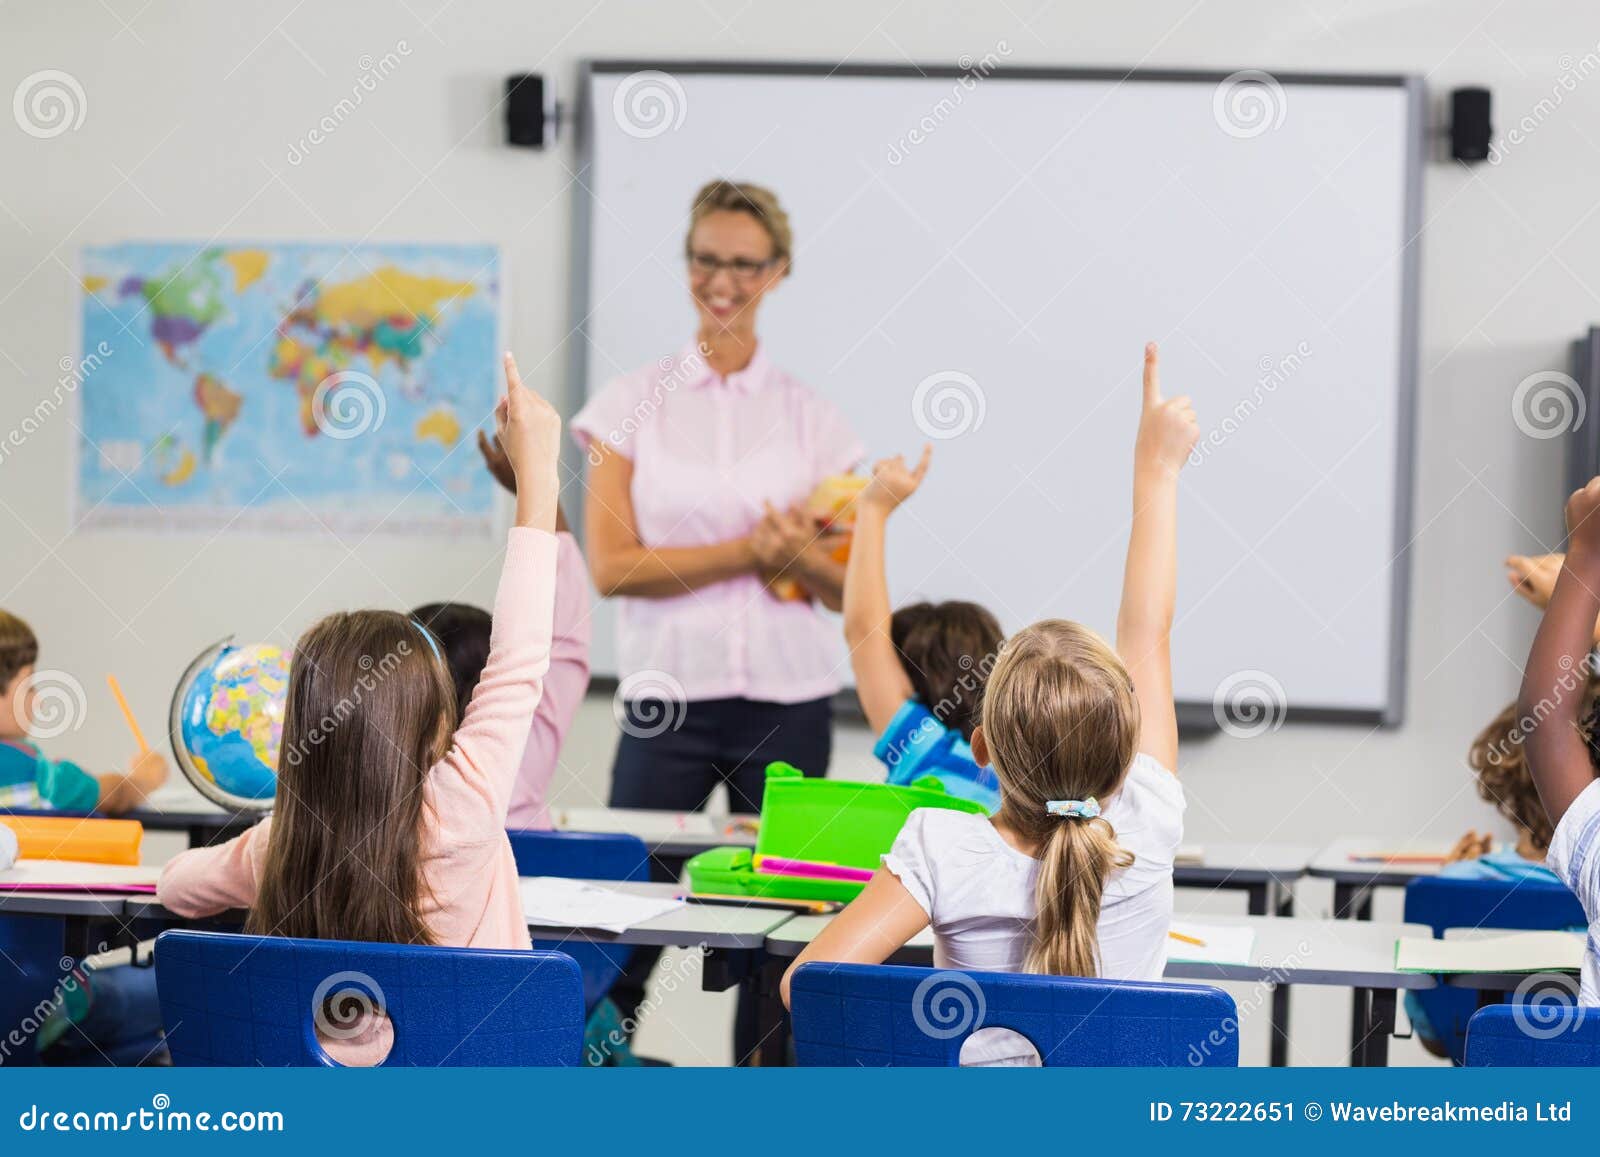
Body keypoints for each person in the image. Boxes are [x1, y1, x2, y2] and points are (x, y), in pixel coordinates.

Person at [782, 344, 1198, 1066]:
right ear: (1124, 751)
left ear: (984, 747)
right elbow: (1148, 632)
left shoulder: (939, 847)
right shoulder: (1152, 813)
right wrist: (1157, 470)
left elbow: (805, 989)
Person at [157, 352, 564, 1065]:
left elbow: (174, 886)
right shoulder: (461, 808)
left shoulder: (281, 840)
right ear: (439, 725)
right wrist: (540, 471)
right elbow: (521, 655)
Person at [572, 179, 863, 816]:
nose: (721, 279)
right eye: (705, 259)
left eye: (744, 263)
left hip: (791, 703)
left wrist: (798, 559)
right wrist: (754, 553)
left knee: (786, 896)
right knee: (631, 887)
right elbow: (613, 568)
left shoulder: (817, 423)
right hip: (667, 698)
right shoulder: (626, 406)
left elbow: (849, 592)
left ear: (777, 271)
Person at [842, 444, 1003, 811]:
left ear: (907, 679)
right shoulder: (1023, 765)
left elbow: (864, 632)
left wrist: (873, 509)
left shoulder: (928, 749)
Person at [0, 611, 167, 813]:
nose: (38, 701)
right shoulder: (35, 774)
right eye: (29, 686)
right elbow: (115, 796)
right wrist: (144, 780)